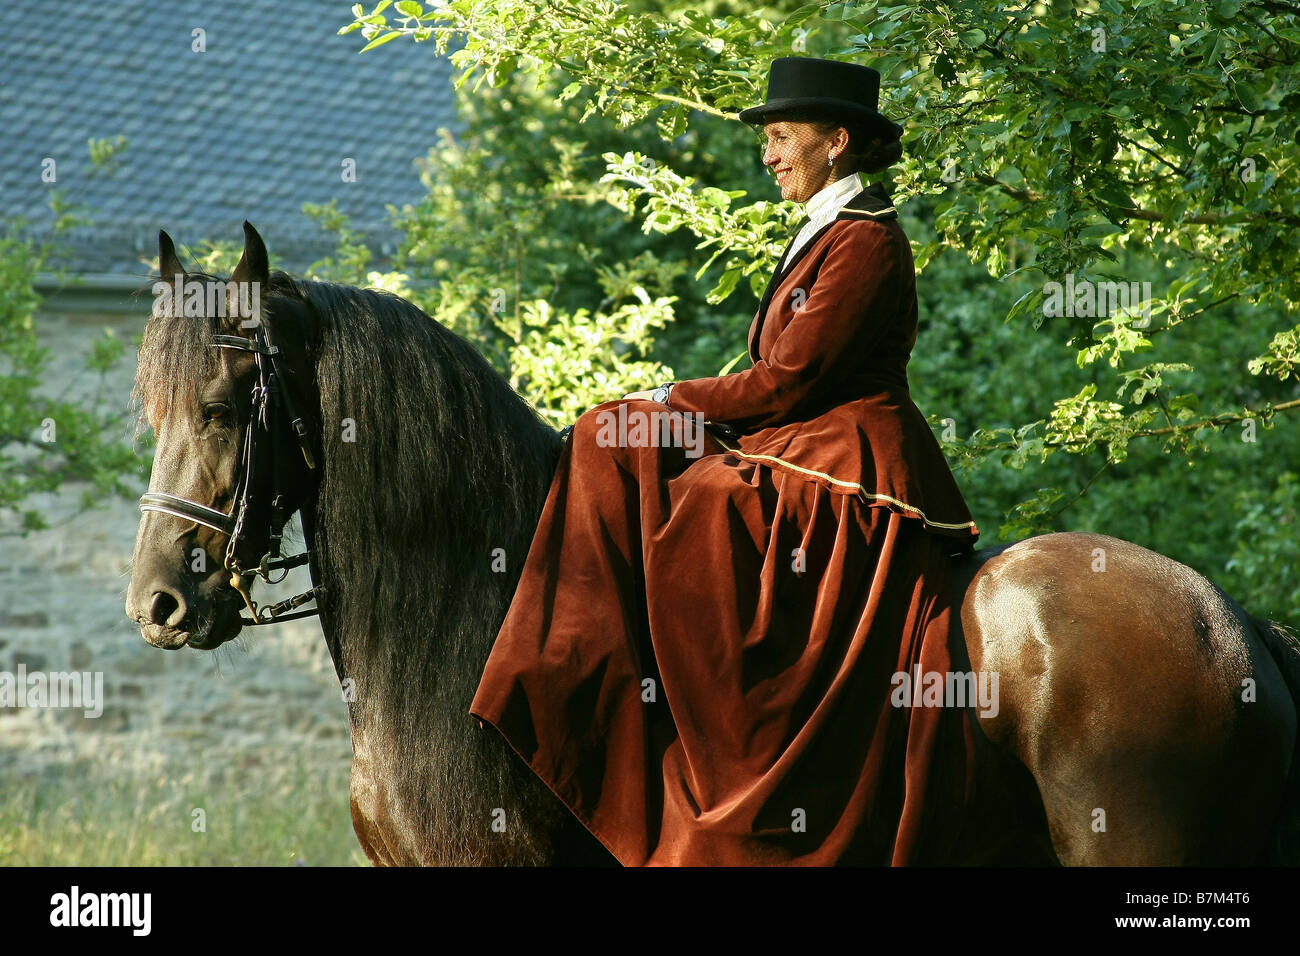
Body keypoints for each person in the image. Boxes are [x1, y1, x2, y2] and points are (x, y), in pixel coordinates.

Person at [470, 56, 982, 865]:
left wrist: (672, 400)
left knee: (680, 486)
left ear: (837, 141)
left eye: (782, 138)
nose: (769, 155)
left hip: (847, 460)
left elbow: (789, 379)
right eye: (768, 141)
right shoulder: (828, 229)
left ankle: (716, 757)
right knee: (610, 433)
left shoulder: (866, 240)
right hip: (798, 443)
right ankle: (571, 676)